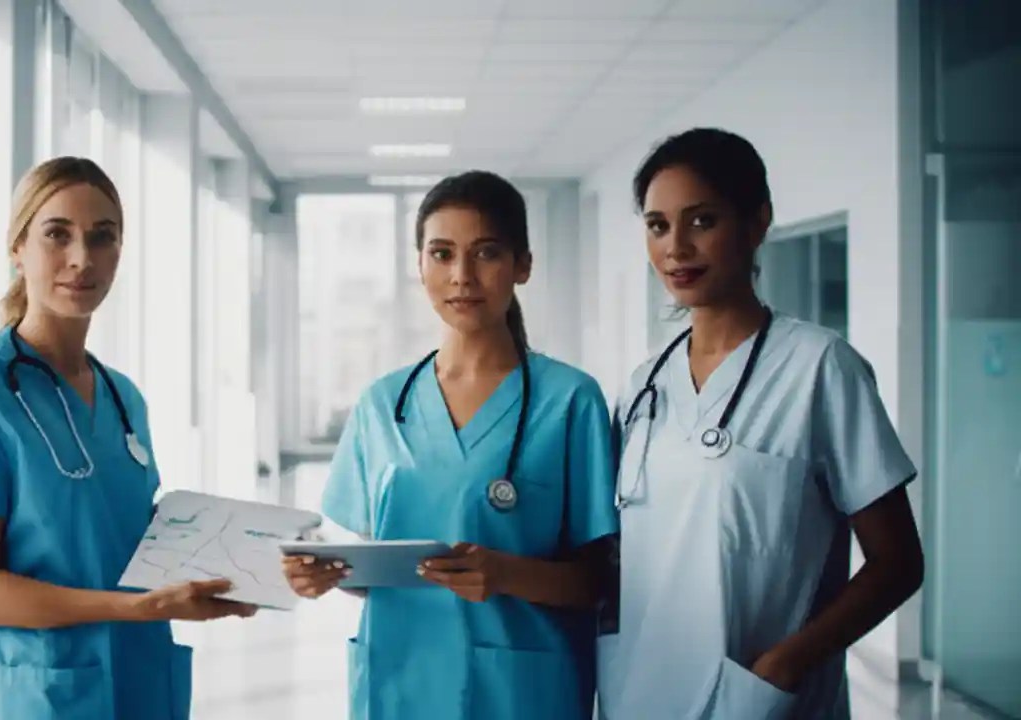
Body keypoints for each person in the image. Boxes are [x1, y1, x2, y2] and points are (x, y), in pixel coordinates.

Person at [0, 157, 256, 720]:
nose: (82, 258)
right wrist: (134, 608)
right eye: (57, 234)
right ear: (18, 248)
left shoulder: (123, 397)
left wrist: (260, 560)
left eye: (102, 237)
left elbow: (120, 538)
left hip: (136, 677)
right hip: (36, 692)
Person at [597, 128, 924, 719]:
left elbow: (898, 564)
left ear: (757, 222)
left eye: (702, 221)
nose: (676, 248)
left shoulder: (820, 367)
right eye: (658, 225)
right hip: (641, 691)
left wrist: (786, 664)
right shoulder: (644, 385)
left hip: (756, 699)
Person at [283, 171, 618, 720]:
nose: (462, 275)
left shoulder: (569, 400)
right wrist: (324, 575)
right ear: (420, 266)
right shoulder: (382, 404)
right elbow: (379, 574)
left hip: (522, 692)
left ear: (523, 265)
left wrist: (506, 574)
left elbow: (599, 583)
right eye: (441, 254)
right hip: (400, 679)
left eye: (486, 253)